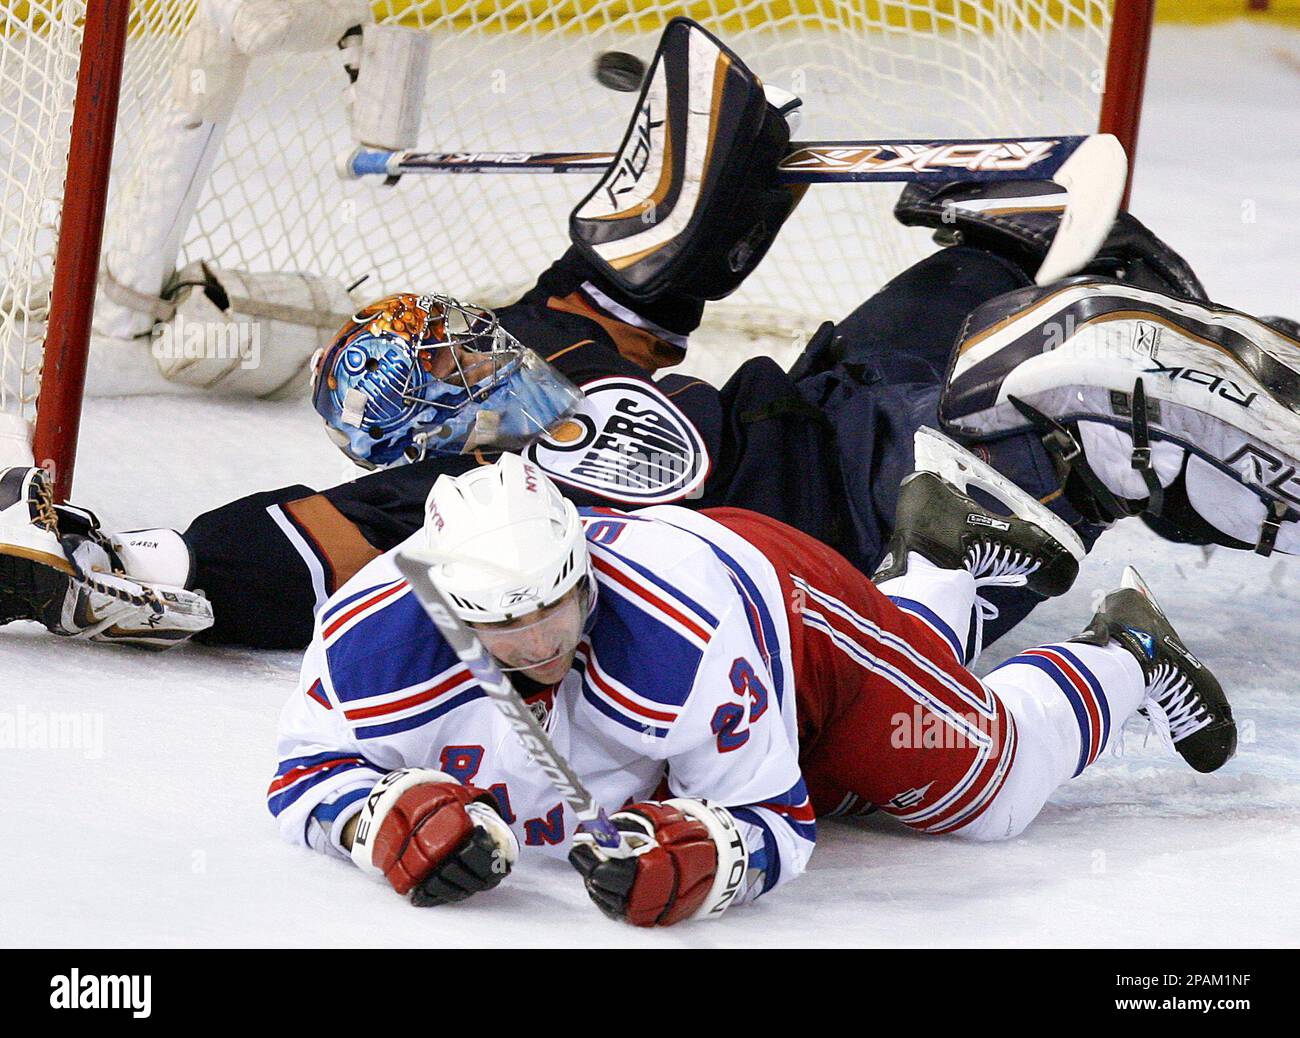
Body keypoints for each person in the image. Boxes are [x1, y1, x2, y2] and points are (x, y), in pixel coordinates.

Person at [3, 18, 1298, 653]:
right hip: (879, 535)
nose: (460, 350)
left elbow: (645, 241)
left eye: (445, 334)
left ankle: (1168, 319)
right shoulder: (469, 489)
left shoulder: (543, 342)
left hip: (835, 390)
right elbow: (315, 545)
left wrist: (733, 143)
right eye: (435, 369)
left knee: (1017, 269)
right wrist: (150, 572)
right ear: (423, 426)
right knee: (1079, 374)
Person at [269, 450, 1235, 926]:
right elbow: (303, 774)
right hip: (741, 628)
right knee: (867, 762)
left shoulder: (680, 644)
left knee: (982, 786)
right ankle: (933, 568)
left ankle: (1126, 654)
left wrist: (712, 859)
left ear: (582, 574)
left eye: (555, 612)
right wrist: (379, 817)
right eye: (502, 625)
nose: (536, 648)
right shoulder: (371, 637)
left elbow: (780, 816)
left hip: (793, 618)